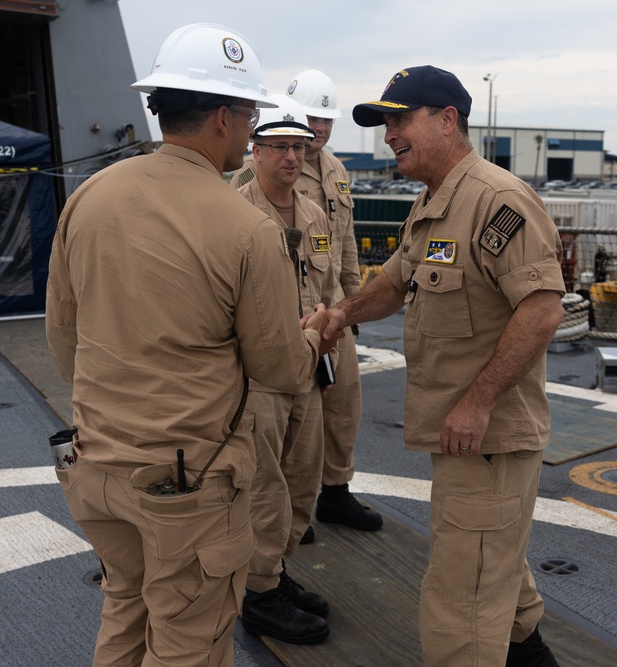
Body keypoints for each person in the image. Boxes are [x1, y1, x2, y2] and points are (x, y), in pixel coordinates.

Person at [45, 24, 340, 667]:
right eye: (253, 113)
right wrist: (316, 331)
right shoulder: (246, 227)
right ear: (226, 119)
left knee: (125, 610)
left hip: (94, 467)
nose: (254, 126)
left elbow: (63, 345)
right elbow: (281, 370)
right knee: (189, 640)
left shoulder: (88, 198)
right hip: (186, 485)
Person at [324, 65, 564, 666]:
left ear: (448, 120)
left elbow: (541, 309)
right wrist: (340, 314)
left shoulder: (497, 200)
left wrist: (478, 400)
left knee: (463, 600)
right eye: (386, 124)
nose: (389, 135)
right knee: (489, 561)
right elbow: (395, 283)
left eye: (400, 120)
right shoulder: (434, 203)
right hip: (458, 438)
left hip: (488, 438)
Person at [233, 70, 380, 539]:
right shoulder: (248, 184)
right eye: (310, 120)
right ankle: (284, 516)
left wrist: (351, 308)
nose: (316, 131)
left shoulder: (335, 173)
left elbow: (344, 244)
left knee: (341, 408)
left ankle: (331, 493)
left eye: (324, 122)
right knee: (281, 426)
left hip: (331, 310)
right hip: (278, 325)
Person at [236, 96, 338, 645]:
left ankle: (276, 569)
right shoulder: (236, 211)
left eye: (300, 148)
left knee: (303, 478)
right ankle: (259, 593)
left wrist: (333, 321)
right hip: (263, 372)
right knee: (265, 485)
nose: (292, 157)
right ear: (255, 152)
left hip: (311, 362)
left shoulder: (315, 213)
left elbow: (326, 283)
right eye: (280, 147)